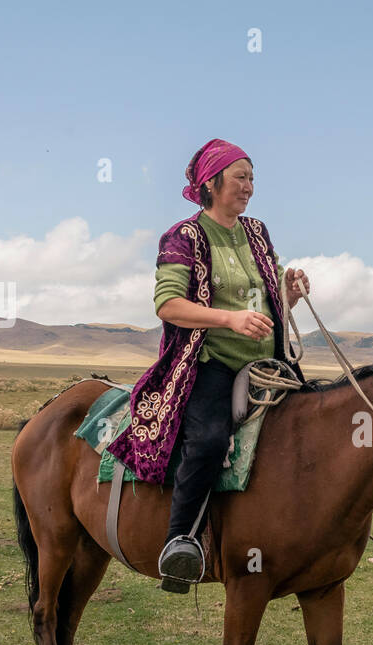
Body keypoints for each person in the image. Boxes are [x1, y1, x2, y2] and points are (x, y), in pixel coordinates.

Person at [104, 138, 309, 592]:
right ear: (211, 183)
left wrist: (288, 294)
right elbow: (168, 304)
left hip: (268, 367)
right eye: (241, 177)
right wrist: (228, 319)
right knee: (210, 440)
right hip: (209, 365)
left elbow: (266, 299)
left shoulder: (257, 232)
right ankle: (180, 543)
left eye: (253, 178)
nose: (250, 187)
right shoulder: (184, 237)